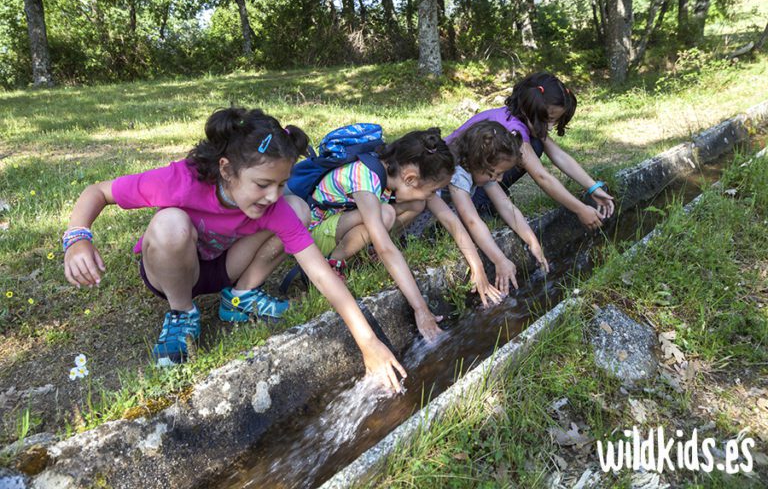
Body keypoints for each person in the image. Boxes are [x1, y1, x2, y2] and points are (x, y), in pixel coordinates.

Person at [62, 108, 407, 392]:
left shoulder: (273, 203)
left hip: (224, 267)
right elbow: (99, 191)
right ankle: (182, 314)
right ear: (226, 169)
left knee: (296, 210)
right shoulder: (180, 179)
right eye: (262, 184)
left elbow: (318, 271)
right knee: (170, 223)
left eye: (280, 183)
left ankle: (239, 297)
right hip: (170, 269)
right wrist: (77, 238)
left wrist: (368, 342)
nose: (272, 195)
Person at [300, 128, 503, 342]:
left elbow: (450, 220)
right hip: (314, 234)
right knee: (385, 213)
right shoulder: (365, 177)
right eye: (432, 190)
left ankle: (362, 252)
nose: (434, 196)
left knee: (417, 203)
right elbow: (386, 248)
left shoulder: (396, 171)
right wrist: (420, 308)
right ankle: (333, 262)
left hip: (341, 223)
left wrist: (478, 267)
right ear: (410, 178)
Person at [445, 71, 615, 230]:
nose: (549, 126)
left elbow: (559, 155)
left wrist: (593, 187)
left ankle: (487, 198)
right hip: (449, 181)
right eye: (548, 119)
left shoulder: (524, 118)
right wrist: (580, 209)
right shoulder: (513, 129)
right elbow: (542, 177)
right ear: (530, 109)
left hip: (468, 178)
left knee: (537, 144)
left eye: (554, 121)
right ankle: (480, 202)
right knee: (534, 147)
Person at [448, 120, 549, 295]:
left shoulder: (481, 170)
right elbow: (472, 221)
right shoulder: (458, 175)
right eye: (498, 173)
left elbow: (506, 206)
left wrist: (532, 242)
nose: (501, 179)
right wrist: (499, 260)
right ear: (480, 162)